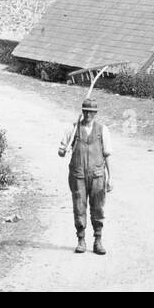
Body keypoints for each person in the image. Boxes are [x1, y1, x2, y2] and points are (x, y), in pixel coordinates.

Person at [57, 97, 112, 254]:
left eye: (92, 112)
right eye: (86, 112)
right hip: (78, 176)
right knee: (79, 207)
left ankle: (98, 240)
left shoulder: (103, 130)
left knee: (98, 208)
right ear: (82, 112)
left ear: (96, 113)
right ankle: (81, 239)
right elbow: (61, 152)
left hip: (97, 176)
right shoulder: (72, 129)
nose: (89, 115)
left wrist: (110, 178)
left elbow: (107, 155)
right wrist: (62, 151)